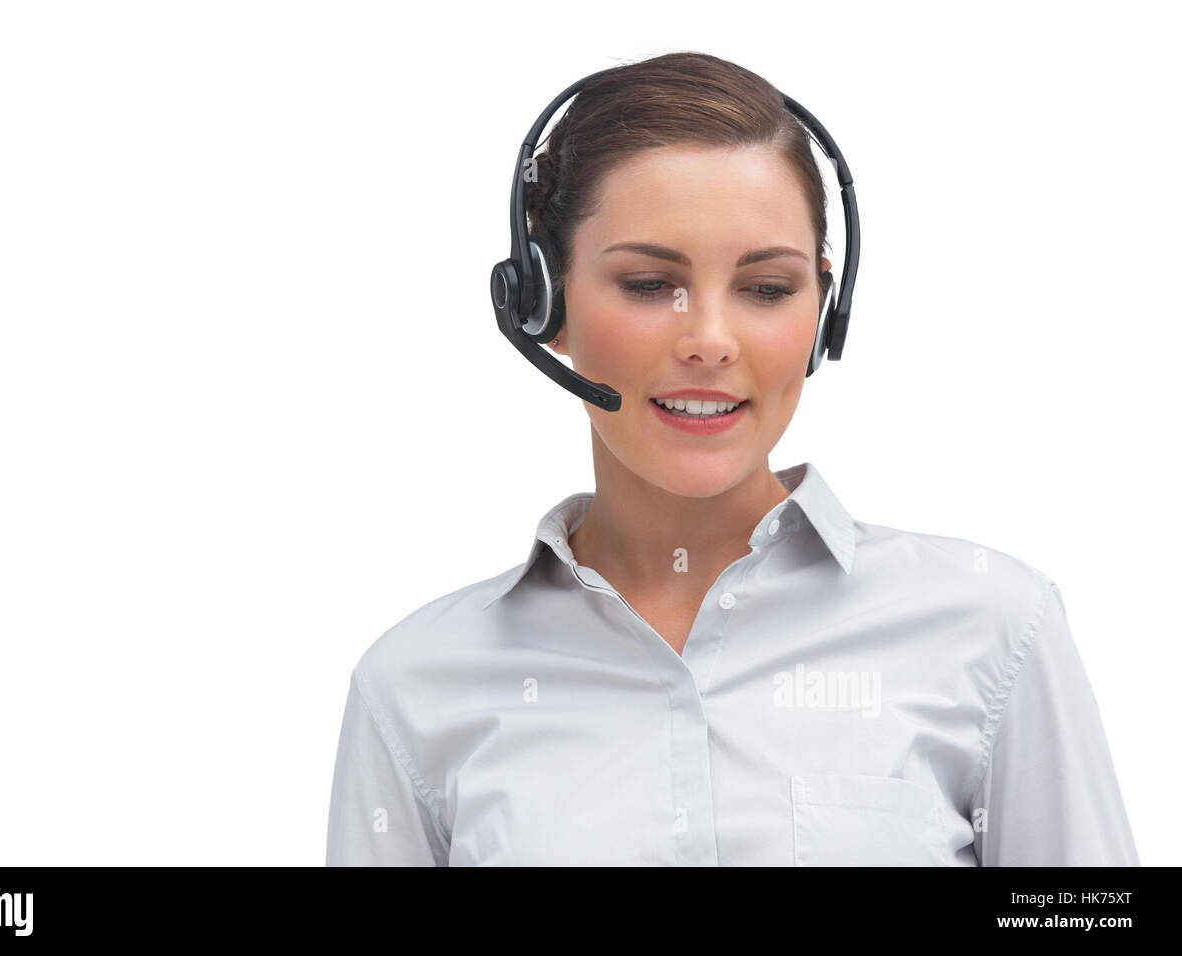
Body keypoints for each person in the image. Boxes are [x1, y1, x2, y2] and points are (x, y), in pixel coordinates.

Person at [325, 51, 1139, 866]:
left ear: (824, 309)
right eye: (648, 283)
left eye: (767, 289)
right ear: (543, 303)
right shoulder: (415, 690)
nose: (709, 341)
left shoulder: (993, 630)